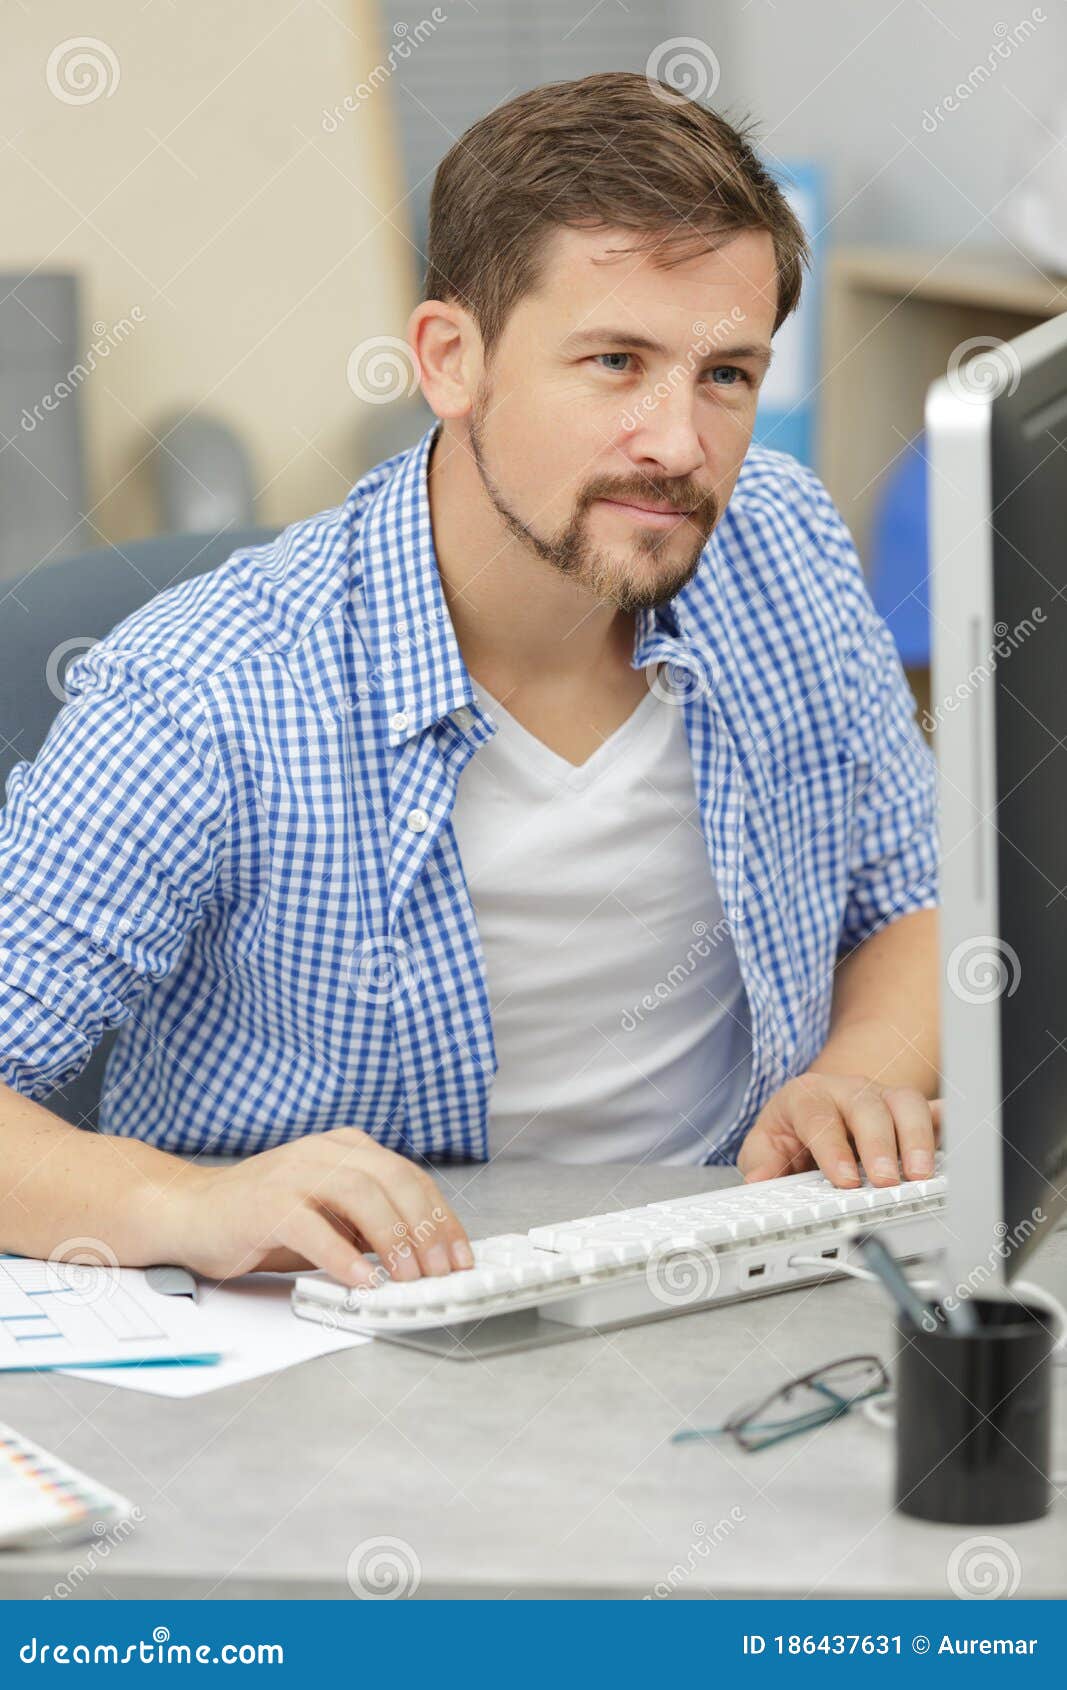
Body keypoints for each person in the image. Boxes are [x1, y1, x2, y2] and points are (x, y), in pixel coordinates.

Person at [0, 73, 939, 1292]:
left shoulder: (781, 541)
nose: (677, 443)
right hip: (331, 1347)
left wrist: (858, 1067)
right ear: (450, 360)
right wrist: (188, 1201)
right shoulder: (205, 695)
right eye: (614, 360)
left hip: (725, 1277)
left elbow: (911, 896)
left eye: (725, 375)